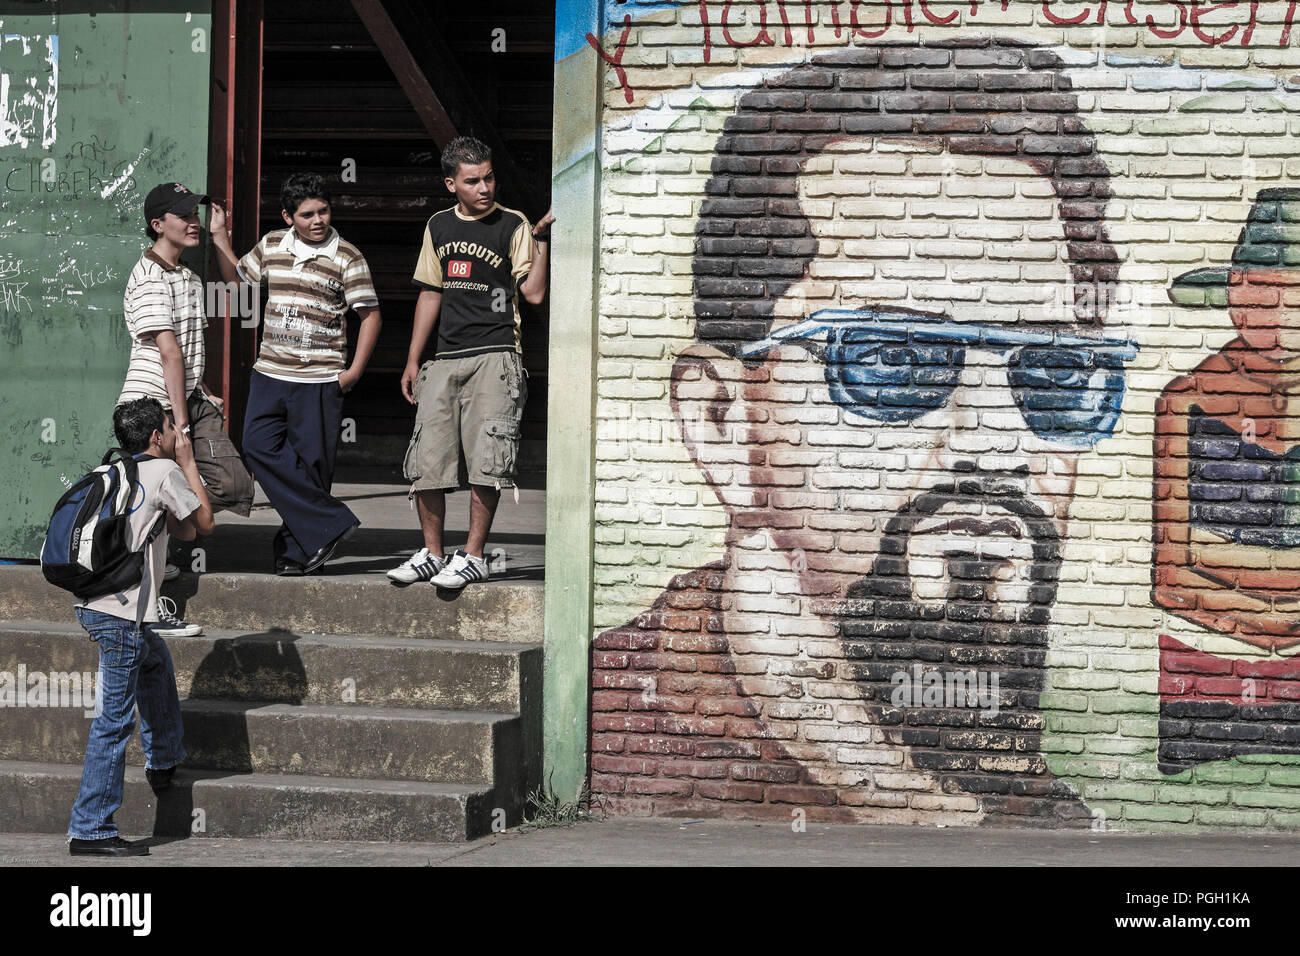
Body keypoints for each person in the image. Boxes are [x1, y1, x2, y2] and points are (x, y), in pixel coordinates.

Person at [589, 48, 1138, 825]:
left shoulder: (1024, 800)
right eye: (891, 360)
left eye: (1053, 375)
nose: (993, 440)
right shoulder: (647, 762)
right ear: (722, 423)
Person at [1153, 187, 1300, 772]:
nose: (1283, 316)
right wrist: (1268, 621)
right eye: (1269, 293)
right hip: (1206, 666)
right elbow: (1170, 573)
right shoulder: (1185, 402)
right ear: (1236, 293)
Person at [388, 135, 554, 588]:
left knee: (488, 459)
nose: (485, 187)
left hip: (496, 354)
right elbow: (430, 291)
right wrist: (412, 359)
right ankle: (432, 554)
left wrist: (540, 242)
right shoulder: (438, 226)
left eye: (489, 177)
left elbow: (534, 293)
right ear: (451, 184)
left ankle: (474, 555)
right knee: (429, 459)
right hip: (444, 357)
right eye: (473, 181)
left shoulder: (513, 224)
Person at [210, 173, 382, 575]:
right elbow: (238, 285)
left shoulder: (348, 256)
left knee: (312, 467)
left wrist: (353, 372)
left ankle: (297, 552)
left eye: (323, 210)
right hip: (270, 373)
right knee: (256, 446)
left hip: (321, 379)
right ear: (289, 216)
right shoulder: (272, 245)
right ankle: (331, 524)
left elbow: (370, 316)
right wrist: (220, 239)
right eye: (307, 214)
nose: (318, 220)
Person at [67, 397, 215, 856]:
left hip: (96, 602)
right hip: (121, 612)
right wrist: (188, 462)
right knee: (113, 721)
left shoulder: (108, 472)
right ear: (156, 437)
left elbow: (182, 532)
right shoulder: (163, 471)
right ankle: (90, 827)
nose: (176, 434)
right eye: (171, 427)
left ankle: (164, 759)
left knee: (156, 662)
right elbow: (203, 525)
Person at [118, 182, 253, 632]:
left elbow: (243, 301)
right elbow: (169, 353)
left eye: (195, 213)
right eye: (183, 215)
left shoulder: (188, 278)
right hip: (154, 405)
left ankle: (165, 542)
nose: (193, 220)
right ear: (158, 225)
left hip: (186, 398)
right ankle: (149, 608)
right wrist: (180, 424)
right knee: (162, 515)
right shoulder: (150, 276)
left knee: (231, 485)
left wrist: (219, 238)